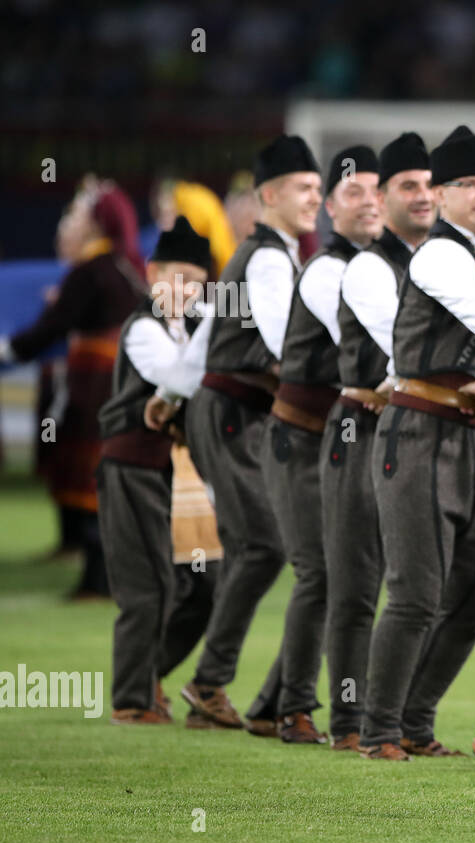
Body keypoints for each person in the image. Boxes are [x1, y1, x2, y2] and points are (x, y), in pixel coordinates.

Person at [360, 126, 475, 760]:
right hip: (421, 430)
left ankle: (415, 724)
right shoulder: (437, 256)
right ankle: (377, 730)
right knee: (416, 594)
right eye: (467, 184)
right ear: (443, 194)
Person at [180, 134, 321, 732]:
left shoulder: (268, 252)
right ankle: (209, 683)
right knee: (264, 546)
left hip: (229, 410)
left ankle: (242, 696)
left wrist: (171, 396)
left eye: (319, 188)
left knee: (251, 548)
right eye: (303, 189)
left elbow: (208, 331)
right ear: (269, 194)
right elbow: (284, 349)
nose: (314, 198)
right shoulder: (266, 257)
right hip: (235, 412)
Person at [248, 145, 383, 745]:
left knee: (337, 574)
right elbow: (374, 350)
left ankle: (271, 702)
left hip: (337, 439)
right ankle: (295, 708)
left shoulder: (375, 267)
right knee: (319, 573)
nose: (370, 201)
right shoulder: (331, 270)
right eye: (354, 192)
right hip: (299, 441)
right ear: (330, 207)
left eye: (378, 190)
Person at [325, 131, 434, 752]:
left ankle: (396, 718)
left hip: (414, 427)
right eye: (362, 191)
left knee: (415, 583)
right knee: (355, 580)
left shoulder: (440, 258)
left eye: (426, 186)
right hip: (362, 427)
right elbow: (405, 348)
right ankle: (347, 719)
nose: (371, 202)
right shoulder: (365, 267)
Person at [0, 181, 147, 599]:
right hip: (112, 386)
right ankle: (96, 577)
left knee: (91, 480)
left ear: (98, 223)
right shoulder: (119, 266)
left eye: (78, 214)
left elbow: (53, 327)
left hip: (97, 389)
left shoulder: (93, 269)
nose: (70, 222)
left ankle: (98, 583)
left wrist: (10, 347)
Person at [97, 216, 210, 723]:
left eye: (196, 281)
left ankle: (151, 677)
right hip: (133, 467)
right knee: (146, 585)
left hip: (180, 473)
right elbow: (176, 376)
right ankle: (132, 700)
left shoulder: (194, 324)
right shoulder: (143, 328)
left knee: (202, 585)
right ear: (151, 273)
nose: (185, 290)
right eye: (176, 277)